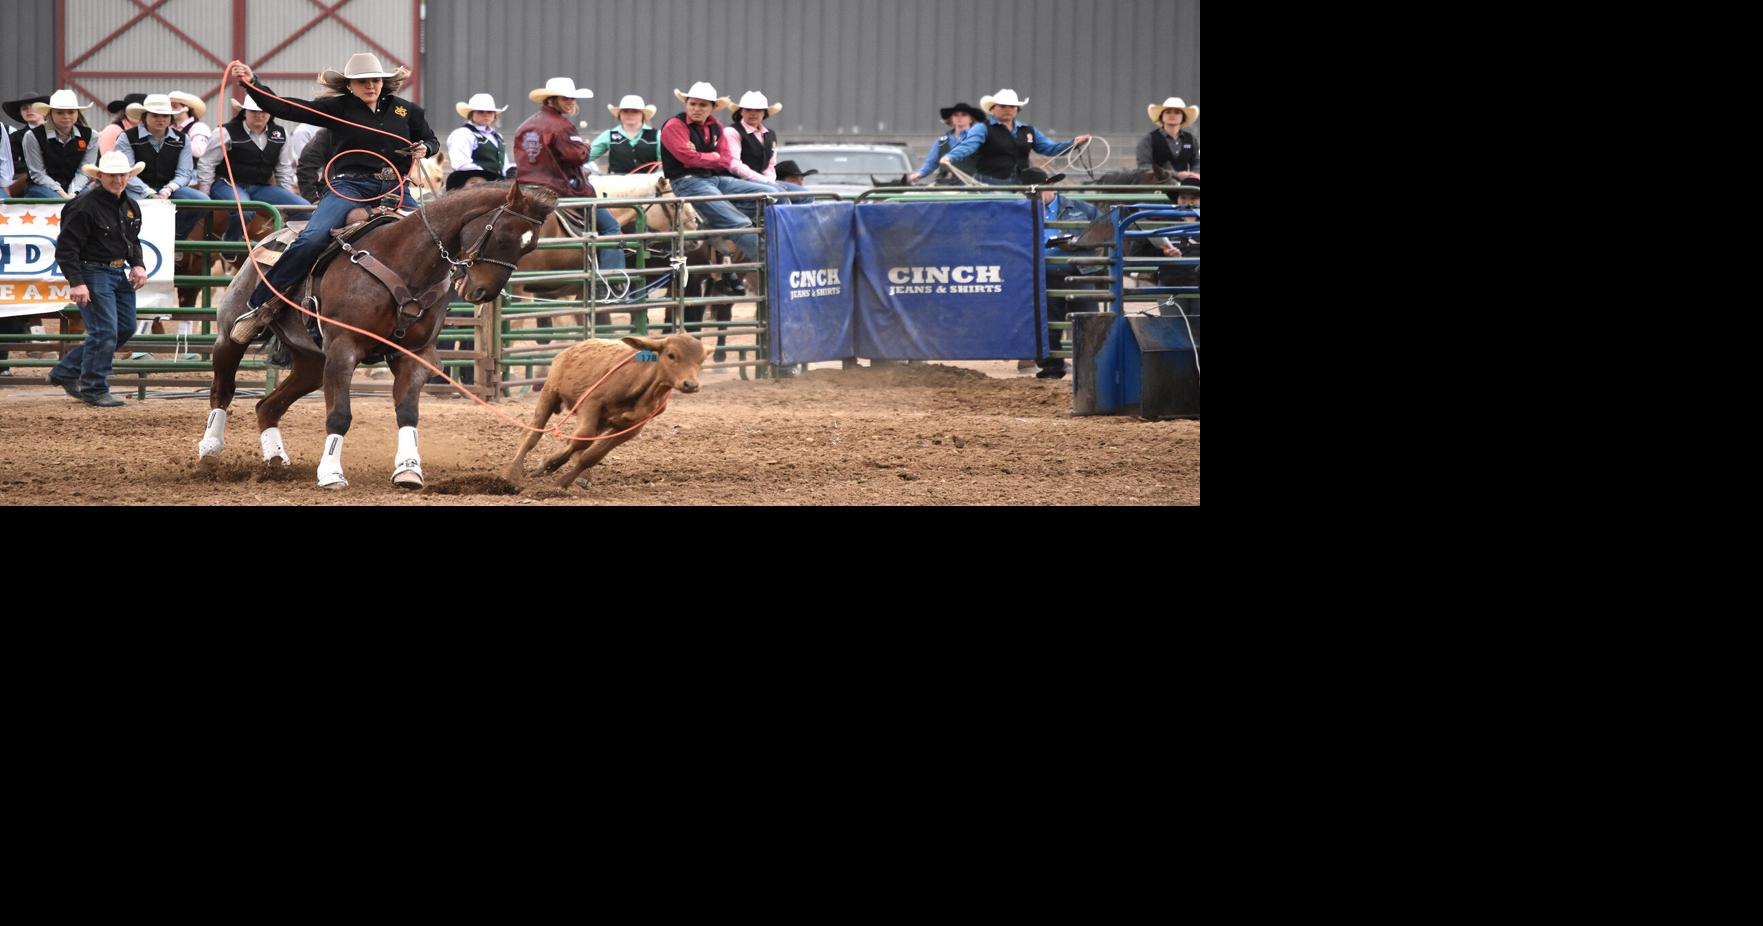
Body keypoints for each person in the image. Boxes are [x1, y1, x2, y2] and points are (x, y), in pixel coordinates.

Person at [223, 54, 438, 344]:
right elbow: (286, 107)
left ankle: (428, 309)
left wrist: (425, 147)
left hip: (394, 187)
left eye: (375, 80)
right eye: (363, 81)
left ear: (383, 82)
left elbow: (431, 139)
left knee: (434, 236)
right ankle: (260, 307)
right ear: (350, 85)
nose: (370, 86)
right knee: (311, 238)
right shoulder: (337, 108)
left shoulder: (407, 111)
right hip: (348, 186)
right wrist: (252, 83)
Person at [44, 151, 150, 407]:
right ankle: (94, 387)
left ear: (129, 176)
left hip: (116, 272)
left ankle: (67, 371)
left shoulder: (130, 206)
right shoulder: (83, 206)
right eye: (112, 175)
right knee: (105, 331)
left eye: (122, 175)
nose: (118, 180)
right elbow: (66, 248)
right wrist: (76, 281)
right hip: (92, 271)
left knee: (123, 327)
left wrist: (137, 264)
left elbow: (132, 241)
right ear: (100, 176)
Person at [511, 76, 624, 273]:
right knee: (611, 228)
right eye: (566, 98)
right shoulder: (562, 126)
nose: (571, 102)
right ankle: (615, 283)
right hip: (561, 190)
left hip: (527, 189)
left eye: (572, 98)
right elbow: (576, 156)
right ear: (551, 100)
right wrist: (585, 148)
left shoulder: (525, 126)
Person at [658, 82, 776, 264]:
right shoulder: (674, 125)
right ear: (686, 104)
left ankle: (716, 220)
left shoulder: (716, 126)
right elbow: (688, 159)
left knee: (774, 195)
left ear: (712, 107)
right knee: (738, 222)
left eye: (703, 105)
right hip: (687, 181)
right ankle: (776, 265)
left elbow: (725, 158)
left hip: (713, 179)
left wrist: (701, 155)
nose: (696, 109)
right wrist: (712, 155)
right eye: (693, 104)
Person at [1026, 167, 1101, 380]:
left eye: (1038, 191)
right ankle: (1051, 368)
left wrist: (1078, 243)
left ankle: (1090, 369)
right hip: (1045, 274)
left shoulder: (1080, 207)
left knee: (1088, 321)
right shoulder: (1025, 210)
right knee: (1048, 323)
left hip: (1079, 270)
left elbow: (1104, 230)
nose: (1035, 197)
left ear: (1050, 186)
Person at [197, 95, 305, 240]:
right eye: (254, 111)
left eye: (264, 111)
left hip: (262, 187)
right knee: (245, 211)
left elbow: (284, 168)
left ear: (270, 114)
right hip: (227, 183)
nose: (259, 115)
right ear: (244, 112)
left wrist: (287, 195)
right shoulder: (225, 132)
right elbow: (207, 162)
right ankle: (230, 243)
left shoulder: (281, 134)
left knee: (303, 207)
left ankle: (291, 244)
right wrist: (205, 192)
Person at [942, 89, 1090, 186]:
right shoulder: (982, 128)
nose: (1008, 109)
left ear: (1017, 109)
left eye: (1012, 106)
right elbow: (968, 145)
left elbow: (1050, 149)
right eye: (1003, 106)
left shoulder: (1028, 130)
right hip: (991, 183)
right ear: (993, 109)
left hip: (1021, 183)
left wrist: (1073, 143)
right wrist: (950, 156)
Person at [114, 94, 210, 238]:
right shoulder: (126, 137)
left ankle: (176, 239)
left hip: (169, 188)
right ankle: (134, 242)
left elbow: (184, 173)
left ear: (171, 118)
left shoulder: (183, 139)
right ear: (145, 116)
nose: (161, 119)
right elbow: (127, 171)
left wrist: (167, 190)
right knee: (134, 207)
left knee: (203, 202)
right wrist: (149, 192)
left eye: (165, 115)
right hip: (135, 188)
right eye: (155, 115)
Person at [719, 90, 808, 203]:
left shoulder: (770, 134)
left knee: (805, 195)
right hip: (736, 181)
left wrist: (769, 180)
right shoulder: (731, 132)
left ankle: (794, 220)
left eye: (758, 110)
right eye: (748, 109)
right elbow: (734, 165)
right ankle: (779, 220)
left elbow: (770, 165)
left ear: (764, 113)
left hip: (762, 181)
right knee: (779, 195)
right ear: (741, 112)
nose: (753, 113)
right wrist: (765, 181)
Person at [20, 90, 100, 199]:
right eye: (59, 112)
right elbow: (38, 174)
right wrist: (61, 193)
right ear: (50, 113)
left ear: (78, 113)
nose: (66, 116)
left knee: (90, 201)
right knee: (59, 202)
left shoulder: (91, 135)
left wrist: (72, 192)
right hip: (41, 187)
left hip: (77, 187)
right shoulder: (32, 136)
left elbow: (84, 171)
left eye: (71, 112)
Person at [1147, 179, 1199, 316]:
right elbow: (1139, 251)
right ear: (1177, 199)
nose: (1188, 203)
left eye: (1193, 198)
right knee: (1172, 327)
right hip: (1171, 283)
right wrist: (1164, 253)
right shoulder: (1165, 223)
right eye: (1183, 197)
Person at [445, 92, 512, 191]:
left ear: (494, 115)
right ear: (472, 114)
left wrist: (510, 171)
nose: (486, 115)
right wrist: (488, 177)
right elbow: (461, 163)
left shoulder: (498, 137)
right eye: (481, 111)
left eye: (489, 112)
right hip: (472, 185)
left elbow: (503, 164)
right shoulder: (463, 134)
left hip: (498, 185)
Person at [907, 101, 985, 184]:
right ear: (951, 118)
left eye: (964, 114)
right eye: (956, 115)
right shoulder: (942, 141)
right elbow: (931, 163)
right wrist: (919, 174)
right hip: (944, 183)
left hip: (970, 185)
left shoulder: (977, 139)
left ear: (971, 119)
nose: (959, 117)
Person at [590, 95, 662, 174]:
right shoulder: (609, 135)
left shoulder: (657, 135)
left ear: (642, 114)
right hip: (616, 183)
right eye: (625, 111)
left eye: (635, 111)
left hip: (649, 183)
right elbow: (586, 156)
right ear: (620, 114)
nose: (629, 114)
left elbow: (665, 161)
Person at [1136, 96, 1199, 180]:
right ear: (1162, 116)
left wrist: (1192, 176)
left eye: (1177, 112)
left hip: (1185, 188)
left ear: (1183, 117)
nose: (1172, 115)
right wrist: (1175, 175)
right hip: (1157, 187)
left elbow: (1197, 163)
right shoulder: (1148, 139)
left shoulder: (1191, 140)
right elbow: (1144, 167)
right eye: (1168, 112)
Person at [4, 93, 51, 196]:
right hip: (28, 180)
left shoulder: (58, 134)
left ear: (44, 111)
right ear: (21, 113)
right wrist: (35, 169)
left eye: (34, 107)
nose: (29, 110)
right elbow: (10, 163)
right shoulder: (16, 137)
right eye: (25, 108)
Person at [169, 90, 214, 162]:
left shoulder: (199, 127)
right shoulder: (170, 128)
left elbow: (199, 151)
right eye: (169, 107)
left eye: (175, 107)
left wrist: (176, 140)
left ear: (186, 109)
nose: (170, 110)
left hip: (193, 171)